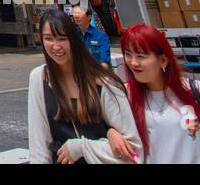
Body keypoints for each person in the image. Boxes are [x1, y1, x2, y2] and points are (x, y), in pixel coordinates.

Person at [121, 23, 200, 164]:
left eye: (140, 56)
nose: (133, 62)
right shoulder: (125, 97)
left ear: (163, 60)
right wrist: (111, 133)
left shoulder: (197, 91)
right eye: (128, 54)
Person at [28, 9, 140, 164]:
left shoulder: (104, 82)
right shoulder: (39, 78)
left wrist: (82, 147)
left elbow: (134, 150)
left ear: (74, 40)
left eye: (62, 38)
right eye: (48, 38)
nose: (55, 46)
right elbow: (39, 145)